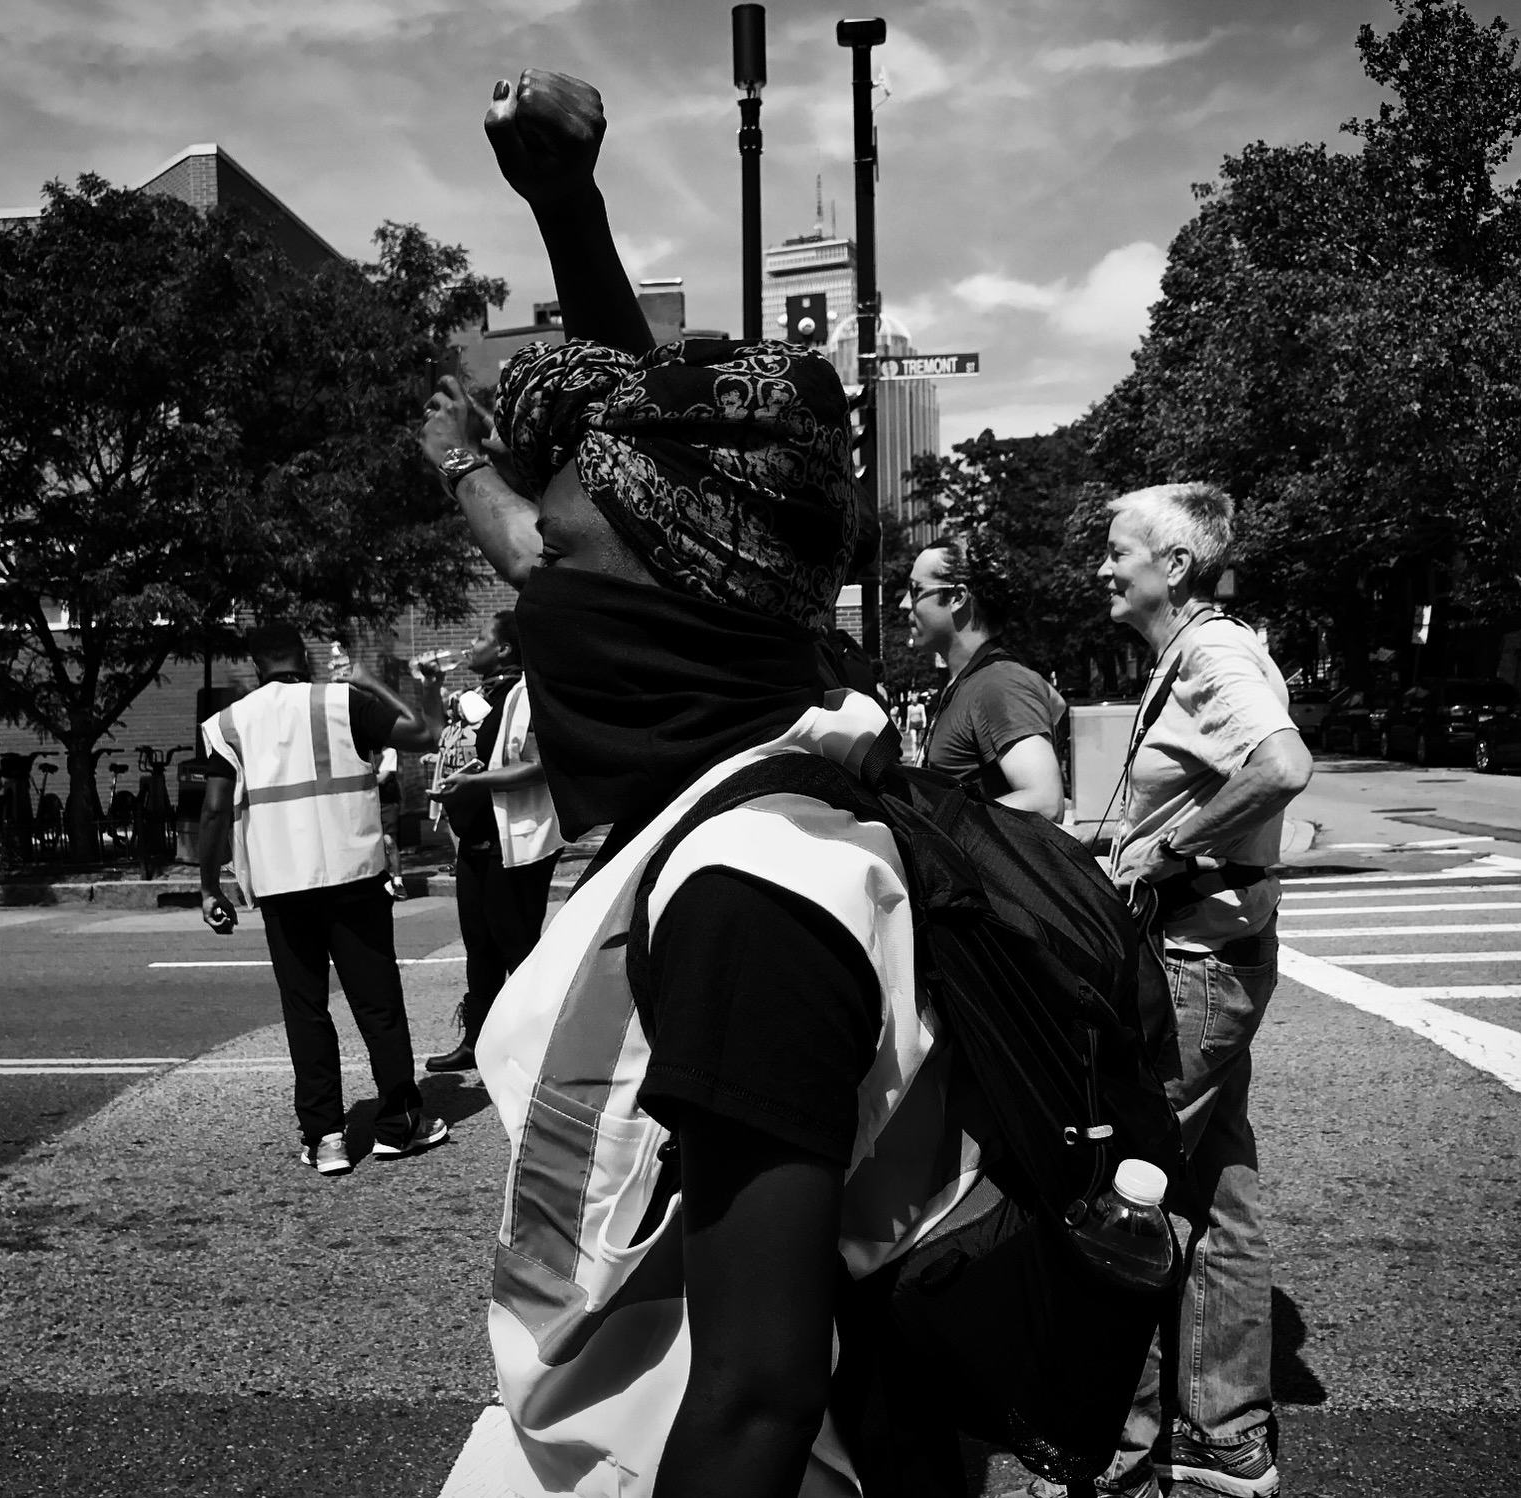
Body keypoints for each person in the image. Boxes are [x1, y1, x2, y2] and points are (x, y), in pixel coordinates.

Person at [416, 68, 975, 1498]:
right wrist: (568, 213)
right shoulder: (757, 750)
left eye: (563, 568)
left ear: (672, 607)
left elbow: (755, 1393)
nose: (535, 593)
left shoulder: (753, 892)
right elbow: (664, 474)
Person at [1089, 482, 1311, 1498]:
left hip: (1196, 965)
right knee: (1219, 1190)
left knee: (1123, 1188)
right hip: (1212, 955)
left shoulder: (1214, 654)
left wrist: (1163, 851)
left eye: (1116, 549)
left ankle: (1112, 1441)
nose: (1102, 565)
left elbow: (1279, 763)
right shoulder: (1191, 652)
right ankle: (1222, 1438)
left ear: (1171, 566)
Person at [195, 623, 451, 1176]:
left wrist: (209, 884)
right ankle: (398, 1124)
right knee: (377, 1003)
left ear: (256, 663)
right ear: (303, 657)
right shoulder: (341, 702)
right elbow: (423, 733)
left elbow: (215, 809)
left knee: (305, 1009)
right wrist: (382, 682)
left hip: (283, 886)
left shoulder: (229, 723)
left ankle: (326, 1136)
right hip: (354, 876)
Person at [424, 609, 562, 1072]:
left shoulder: (527, 694)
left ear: (503, 648)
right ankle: (478, 1042)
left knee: (516, 944)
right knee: (479, 945)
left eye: (480, 637)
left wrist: (478, 785)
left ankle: (531, 1046)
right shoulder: (476, 697)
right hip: (477, 841)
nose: (471, 643)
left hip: (517, 842)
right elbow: (434, 736)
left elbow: (543, 764)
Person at [904, 532, 1068, 818]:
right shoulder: (970, 682)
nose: (905, 603)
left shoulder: (1000, 683)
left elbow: (1044, 802)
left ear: (957, 597)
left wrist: (937, 823)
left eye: (915, 589)